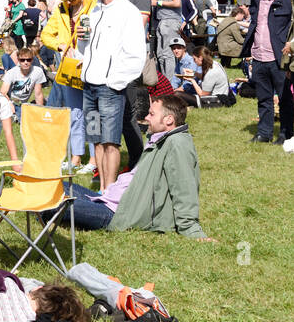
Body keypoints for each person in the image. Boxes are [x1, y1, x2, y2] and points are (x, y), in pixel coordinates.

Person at [49, 95, 212, 240]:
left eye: (152, 114)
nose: (146, 117)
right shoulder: (160, 138)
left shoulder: (178, 144)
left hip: (120, 213)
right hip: (109, 200)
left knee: (50, 202)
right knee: (51, 186)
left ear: (169, 120)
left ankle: (46, 211)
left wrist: (190, 228)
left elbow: (184, 187)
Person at [79, 0, 148, 191]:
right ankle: (101, 188)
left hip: (109, 89)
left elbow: (136, 55)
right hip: (89, 86)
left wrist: (114, 82)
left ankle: (109, 192)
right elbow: (89, 48)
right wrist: (82, 41)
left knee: (110, 142)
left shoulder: (128, 13)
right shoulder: (96, 8)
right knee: (95, 139)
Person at [39, 0, 96, 172]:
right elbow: (46, 35)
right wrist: (60, 45)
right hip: (69, 68)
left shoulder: (95, 4)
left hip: (91, 66)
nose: (68, 2)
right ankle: (76, 157)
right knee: (75, 114)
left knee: (92, 114)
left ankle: (95, 160)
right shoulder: (61, 9)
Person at [240, 0, 293, 144]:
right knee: (263, 99)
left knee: (285, 99)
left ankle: (286, 134)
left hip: (280, 58)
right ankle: (264, 133)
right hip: (259, 57)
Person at [149, 0, 185, 77]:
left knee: (168, 55)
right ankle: (165, 84)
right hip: (163, 21)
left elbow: (177, 2)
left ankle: (171, 85)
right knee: (161, 54)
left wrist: (157, 2)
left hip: (170, 21)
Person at [0, 45, 48, 120]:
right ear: (18, 60)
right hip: (11, 102)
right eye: (22, 60)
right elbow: (3, 93)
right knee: (25, 118)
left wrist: (40, 110)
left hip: (24, 104)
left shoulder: (37, 71)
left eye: (28, 60)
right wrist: (10, 104)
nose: (25, 62)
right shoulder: (11, 72)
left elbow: (38, 94)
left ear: (32, 60)